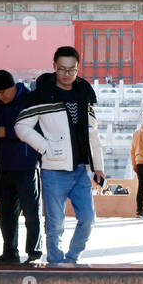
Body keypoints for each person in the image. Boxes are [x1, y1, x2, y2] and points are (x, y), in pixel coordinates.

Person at [15, 46, 105, 267]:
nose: (67, 74)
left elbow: (93, 134)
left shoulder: (84, 93)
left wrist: (98, 167)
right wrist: (45, 147)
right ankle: (55, 263)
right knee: (55, 224)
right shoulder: (41, 94)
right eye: (62, 69)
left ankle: (72, 258)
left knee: (88, 219)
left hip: (81, 169)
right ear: (54, 66)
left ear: (78, 68)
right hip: (54, 170)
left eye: (72, 69)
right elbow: (21, 126)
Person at [0, 69, 42, 265]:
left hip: (27, 165)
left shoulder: (30, 100)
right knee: (6, 213)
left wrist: (8, 132)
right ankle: (10, 251)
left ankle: (34, 252)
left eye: (3, 92)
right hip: (4, 167)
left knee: (31, 211)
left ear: (13, 87)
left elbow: (37, 128)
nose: (0, 96)